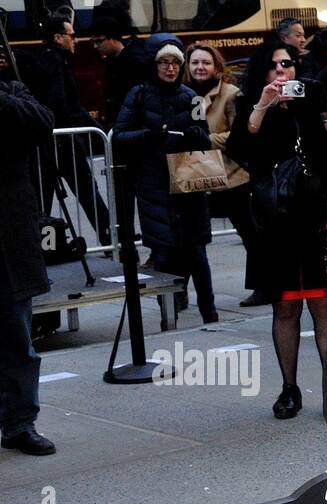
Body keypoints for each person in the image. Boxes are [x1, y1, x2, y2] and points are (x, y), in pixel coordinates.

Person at [224, 39, 327, 419]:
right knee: (286, 306)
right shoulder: (250, 104)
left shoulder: (311, 97)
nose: (283, 72)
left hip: (315, 216)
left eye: (289, 64)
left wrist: (325, 105)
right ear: (263, 71)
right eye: (276, 65)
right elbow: (239, 148)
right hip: (276, 221)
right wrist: (263, 105)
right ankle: (289, 388)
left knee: (325, 305)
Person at [113, 42, 217, 323]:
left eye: (175, 62)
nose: (170, 68)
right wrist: (148, 136)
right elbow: (118, 136)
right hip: (153, 183)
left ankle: (210, 313)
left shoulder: (190, 95)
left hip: (188, 182)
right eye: (164, 62)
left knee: (197, 252)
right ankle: (167, 316)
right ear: (154, 65)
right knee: (163, 253)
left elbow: (206, 138)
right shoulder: (139, 94)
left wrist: (196, 133)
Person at [0, 69, 57, 456]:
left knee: (17, 335)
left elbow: (43, 123)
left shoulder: (13, 89)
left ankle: (20, 422)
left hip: (8, 233)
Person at [186, 42, 265, 308]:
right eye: (195, 62)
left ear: (217, 66)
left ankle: (262, 286)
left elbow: (240, 132)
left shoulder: (231, 94)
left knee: (249, 232)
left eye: (205, 63)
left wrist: (206, 139)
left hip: (232, 174)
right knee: (190, 236)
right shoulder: (183, 94)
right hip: (195, 175)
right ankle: (180, 293)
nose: (200, 67)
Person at [24, 17, 114, 242]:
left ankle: (106, 236)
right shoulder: (55, 62)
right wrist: (89, 127)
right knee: (84, 191)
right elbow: (62, 104)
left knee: (49, 196)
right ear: (58, 38)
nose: (76, 40)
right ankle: (108, 237)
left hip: (53, 141)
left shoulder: (53, 60)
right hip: (60, 141)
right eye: (72, 35)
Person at [89, 12, 153, 129]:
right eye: (93, 42)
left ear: (113, 38)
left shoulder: (136, 61)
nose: (95, 46)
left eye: (99, 41)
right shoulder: (112, 60)